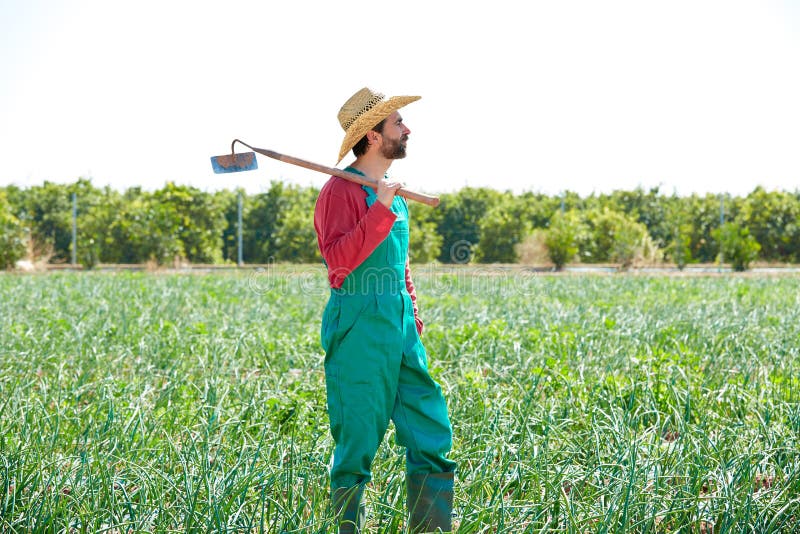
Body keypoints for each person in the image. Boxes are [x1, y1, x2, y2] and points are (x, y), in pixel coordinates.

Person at [313, 87, 456, 533]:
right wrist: (377, 207)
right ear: (372, 137)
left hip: (400, 328)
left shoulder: (393, 194)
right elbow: (339, 265)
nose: (407, 128)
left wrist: (411, 311)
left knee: (432, 431)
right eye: (397, 123)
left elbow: (399, 262)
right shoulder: (340, 191)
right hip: (359, 327)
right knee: (357, 443)